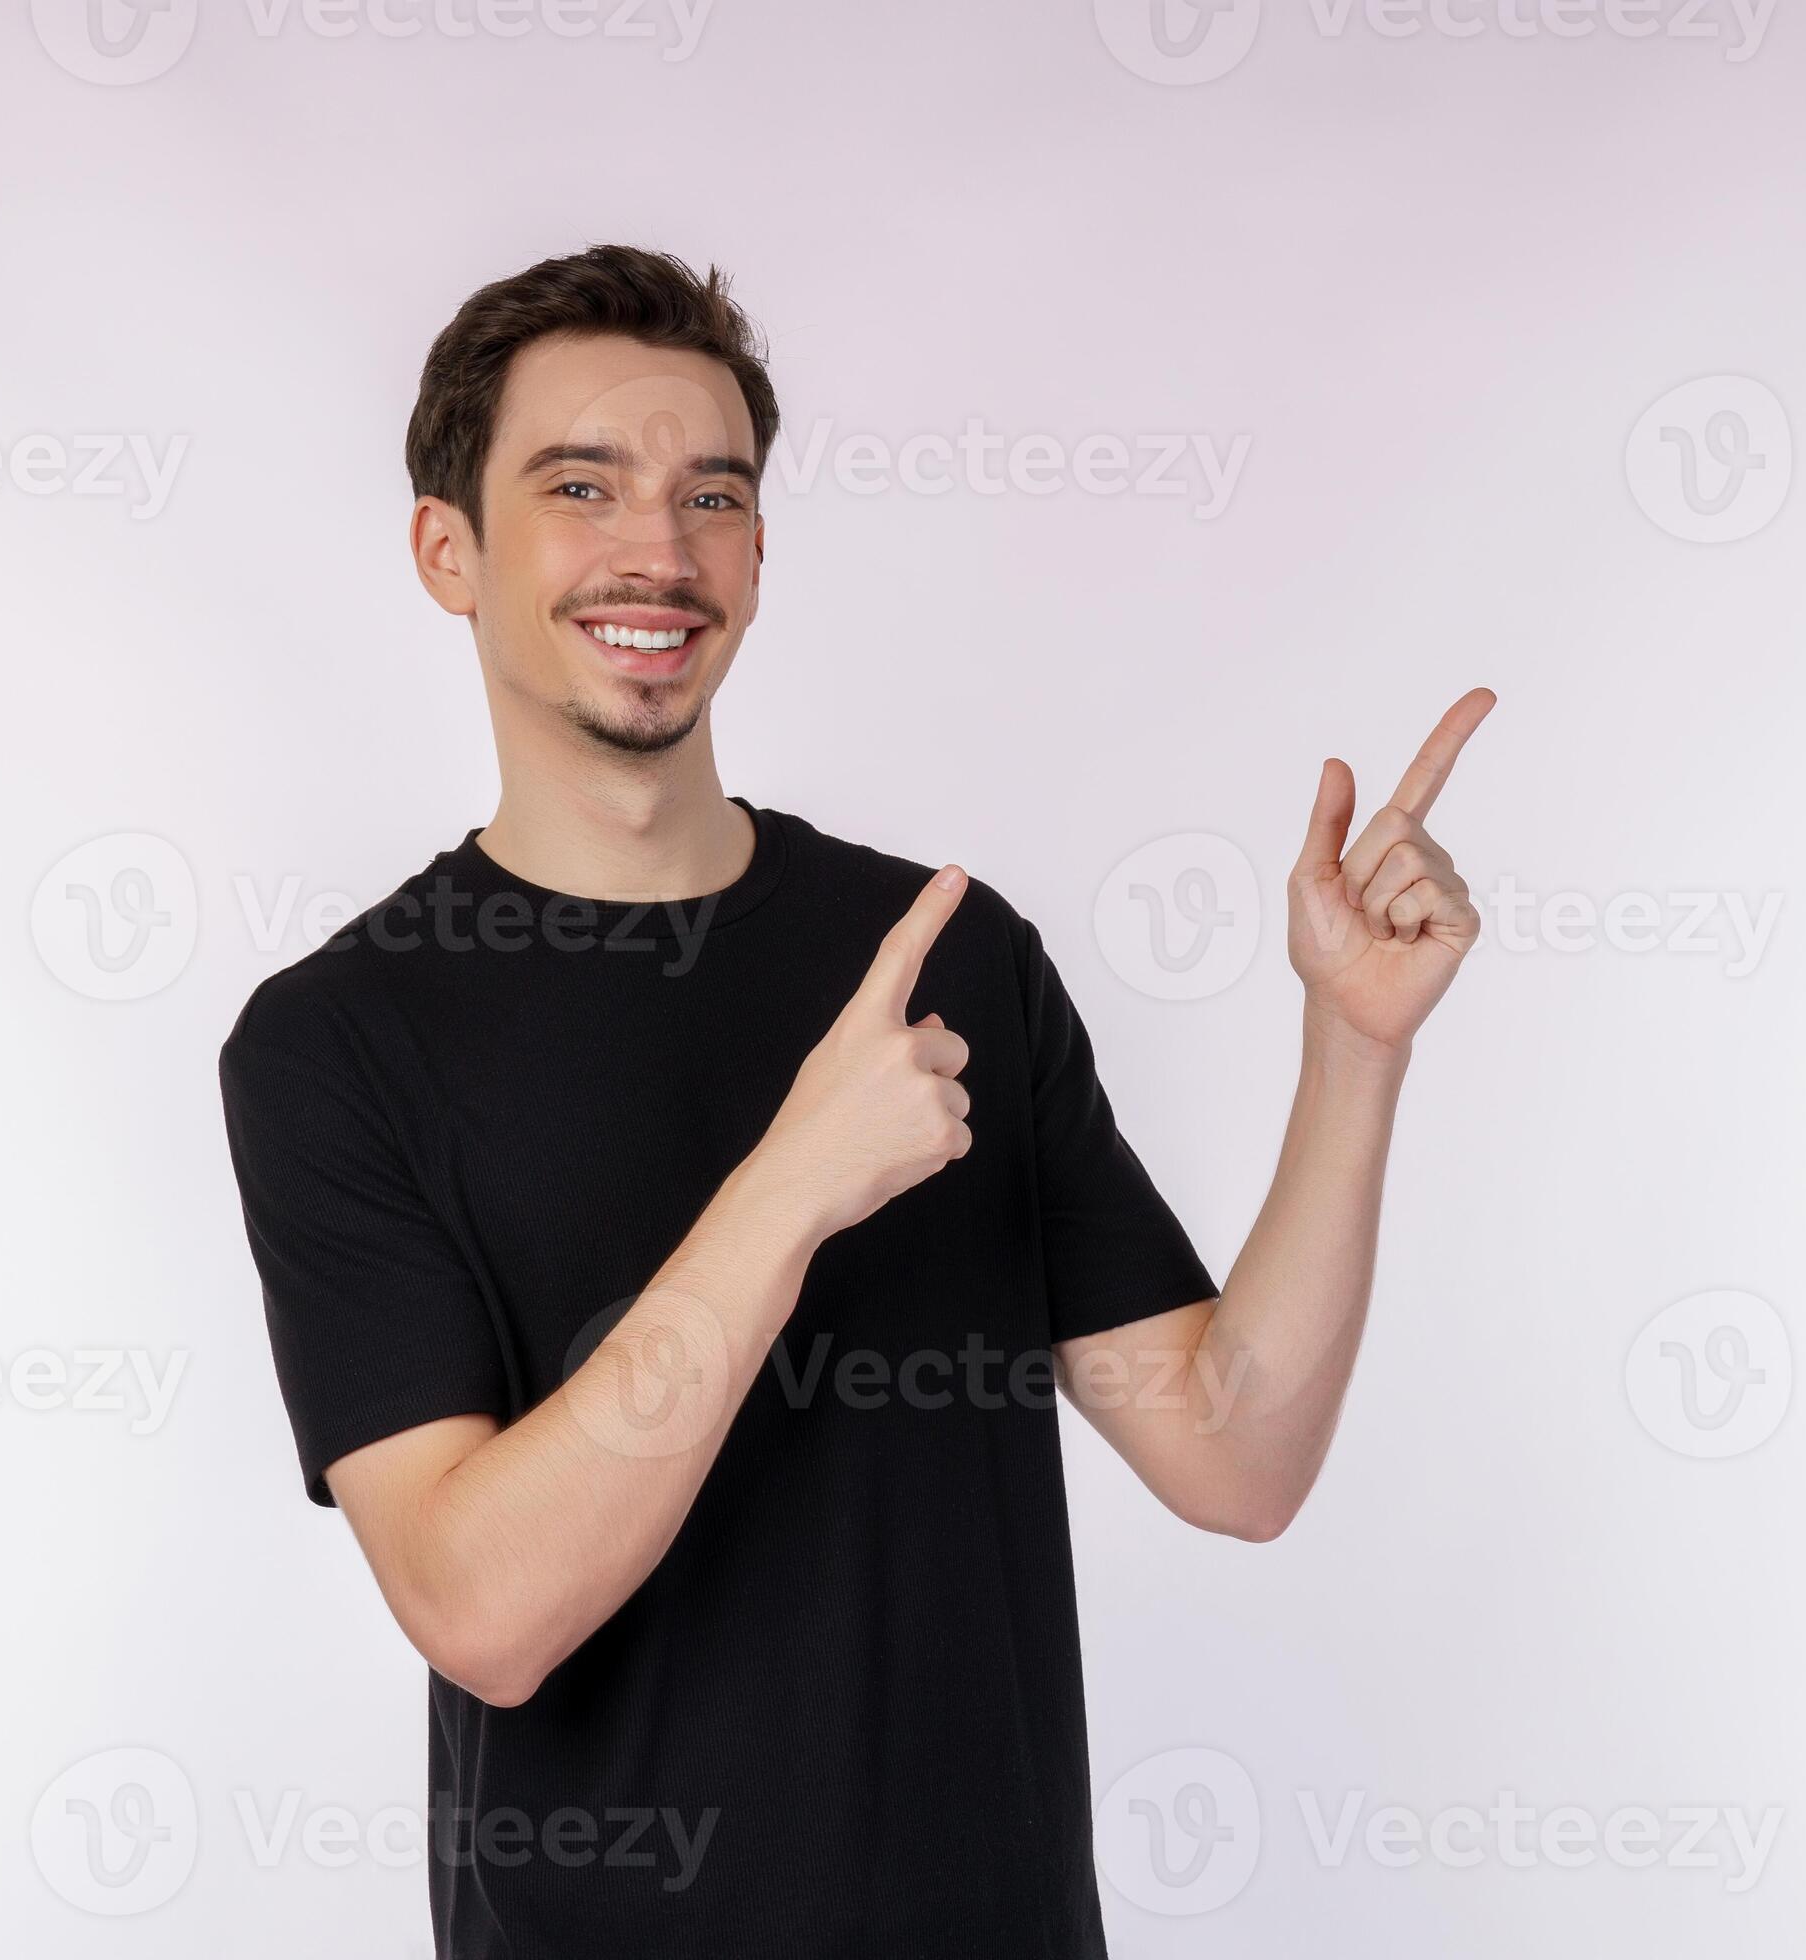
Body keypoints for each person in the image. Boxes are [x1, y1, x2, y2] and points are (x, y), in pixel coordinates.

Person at [217, 243, 1494, 1958]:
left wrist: (1356, 1043)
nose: (656, 553)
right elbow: (482, 1607)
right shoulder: (338, 1042)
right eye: (579, 486)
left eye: (713, 497)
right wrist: (792, 1184)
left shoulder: (948, 958)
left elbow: (1237, 1453)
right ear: (451, 547)